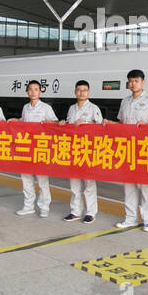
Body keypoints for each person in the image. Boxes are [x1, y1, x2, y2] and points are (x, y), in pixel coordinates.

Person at [115, 69, 148, 232]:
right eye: (130, 81)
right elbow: (121, 124)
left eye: (136, 81)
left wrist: (146, 125)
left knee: (146, 187)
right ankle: (130, 218)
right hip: (127, 148)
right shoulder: (125, 101)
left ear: (142, 82)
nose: (132, 83)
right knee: (128, 186)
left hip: (145, 149)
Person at [61, 80, 102, 223]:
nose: (81, 92)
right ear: (75, 92)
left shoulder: (93, 108)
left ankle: (90, 212)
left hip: (88, 149)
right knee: (74, 183)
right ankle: (75, 211)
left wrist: (85, 124)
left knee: (89, 183)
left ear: (88, 92)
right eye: (79, 90)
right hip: (73, 149)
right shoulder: (72, 108)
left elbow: (101, 127)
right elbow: (68, 126)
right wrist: (63, 124)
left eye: (84, 90)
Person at [17, 80, 57, 217]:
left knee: (42, 180)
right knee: (26, 178)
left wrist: (48, 123)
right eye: (30, 89)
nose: (33, 91)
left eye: (36, 89)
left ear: (40, 92)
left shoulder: (46, 107)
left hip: (40, 148)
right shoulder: (25, 108)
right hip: (27, 147)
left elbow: (55, 123)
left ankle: (44, 206)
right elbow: (23, 122)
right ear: (27, 92)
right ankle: (28, 206)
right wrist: (15, 121)